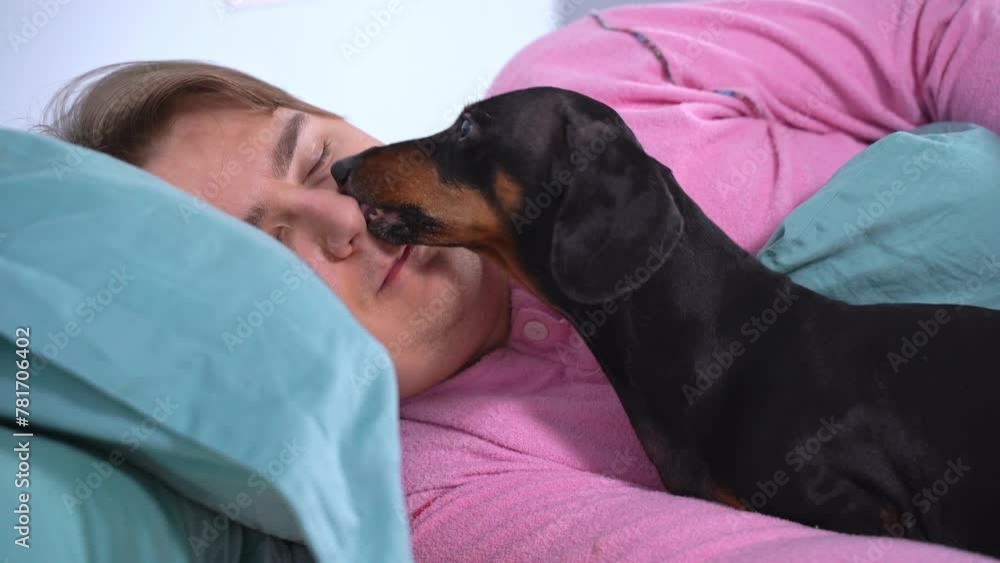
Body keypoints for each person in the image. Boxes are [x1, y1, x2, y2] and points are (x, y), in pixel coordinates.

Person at [41, 1, 998, 561]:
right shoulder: (437, 494)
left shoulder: (585, 81)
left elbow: (940, 22)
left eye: (314, 157)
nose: (343, 217)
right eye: (261, 254)